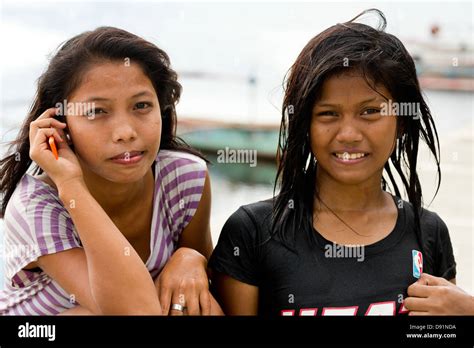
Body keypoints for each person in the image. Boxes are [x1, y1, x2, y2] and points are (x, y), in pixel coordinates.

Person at [208, 9, 457, 316]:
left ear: (402, 121)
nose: (349, 134)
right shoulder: (252, 233)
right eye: (328, 114)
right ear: (304, 125)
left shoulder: (428, 232)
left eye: (370, 112)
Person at [0, 27, 222, 315]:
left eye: (141, 105)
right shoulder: (36, 206)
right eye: (96, 112)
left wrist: (191, 258)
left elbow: (208, 283)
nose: (125, 132)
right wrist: (71, 185)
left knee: (195, 303)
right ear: (60, 123)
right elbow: (133, 311)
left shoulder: (183, 177)